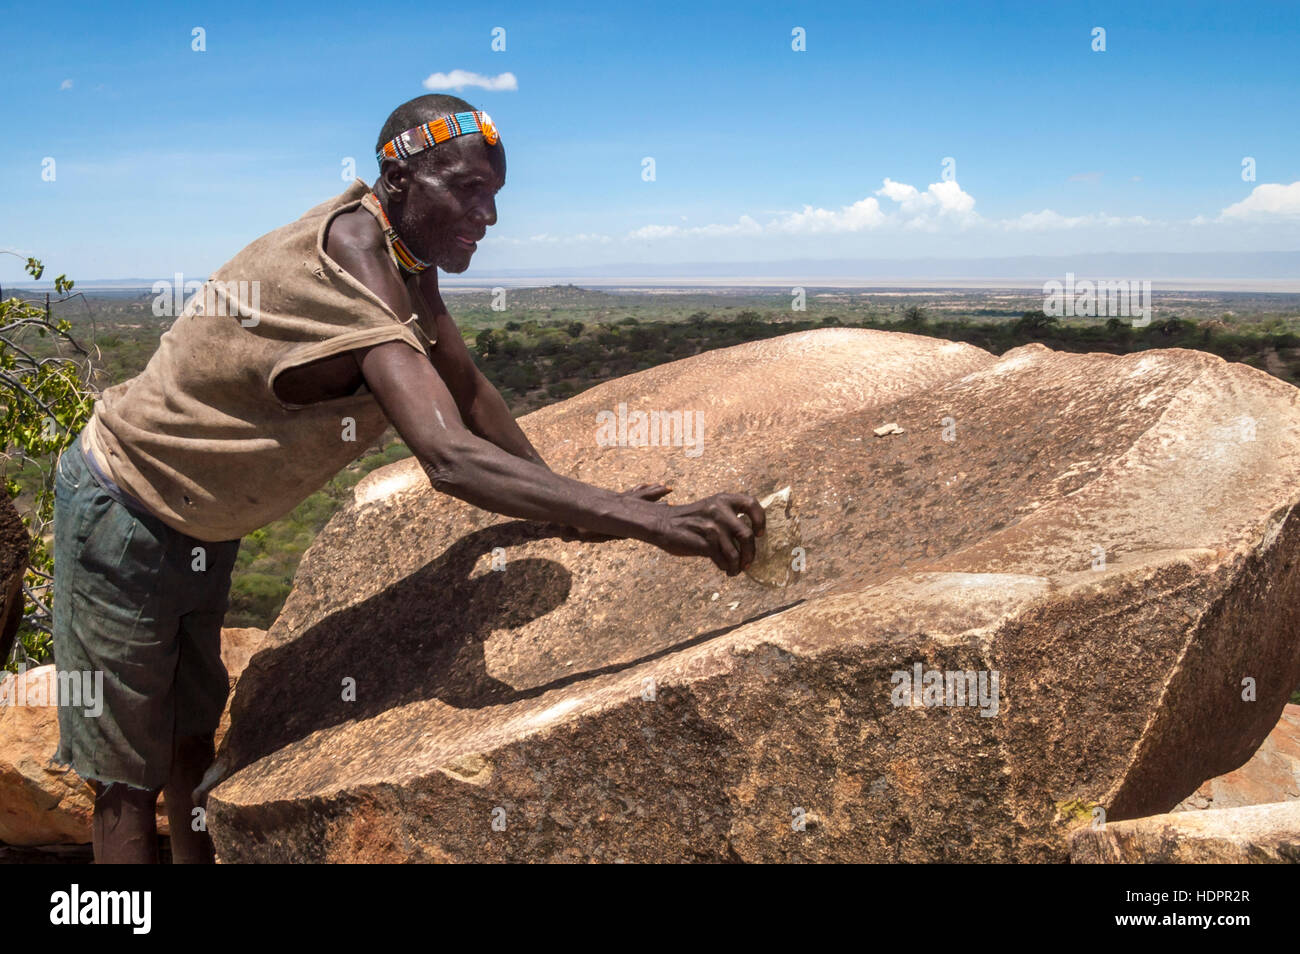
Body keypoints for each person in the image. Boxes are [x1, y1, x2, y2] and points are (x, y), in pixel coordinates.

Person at [50, 93, 764, 863]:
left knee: (193, 738)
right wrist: (650, 523)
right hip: (124, 509)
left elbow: (467, 386)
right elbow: (450, 457)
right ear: (397, 180)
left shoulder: (403, 258)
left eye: (493, 195)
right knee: (125, 784)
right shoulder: (352, 264)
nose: (486, 214)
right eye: (465, 189)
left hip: (201, 526)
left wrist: (580, 509)